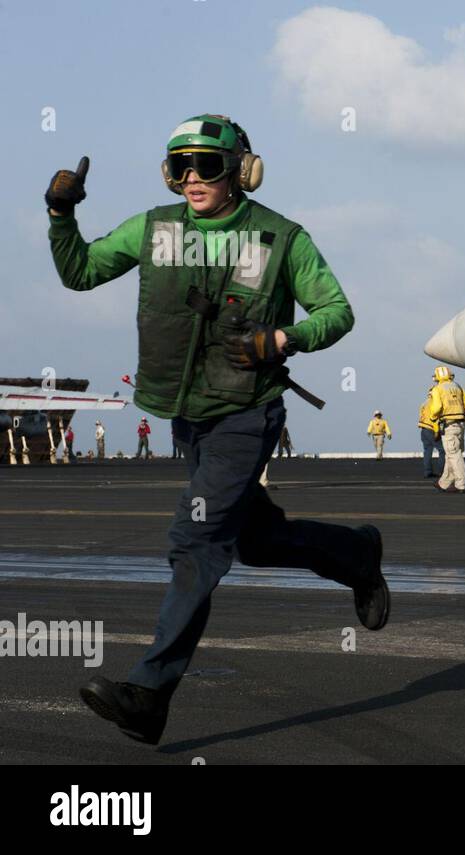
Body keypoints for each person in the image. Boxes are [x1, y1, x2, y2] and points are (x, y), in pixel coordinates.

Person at [48, 114, 389, 745]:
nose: (192, 178)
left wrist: (283, 336)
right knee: (254, 541)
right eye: (180, 166)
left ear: (242, 170)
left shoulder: (281, 238)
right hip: (187, 415)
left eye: (207, 165)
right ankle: (354, 554)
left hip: (246, 410)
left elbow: (337, 312)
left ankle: (149, 692)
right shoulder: (152, 229)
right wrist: (61, 217)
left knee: (197, 540)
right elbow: (82, 273)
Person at [428, 365, 465, 492]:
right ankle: (443, 483)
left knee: (454, 455)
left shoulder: (437, 389)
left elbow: (436, 407)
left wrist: (433, 417)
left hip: (448, 425)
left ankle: (460, 485)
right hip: (461, 424)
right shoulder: (457, 386)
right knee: (451, 455)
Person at [418, 383, 443, 479]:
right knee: (442, 450)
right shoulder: (434, 403)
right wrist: (437, 431)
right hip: (431, 428)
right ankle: (442, 472)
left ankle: (427, 472)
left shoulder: (424, 403)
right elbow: (435, 418)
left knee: (427, 451)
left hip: (423, 429)